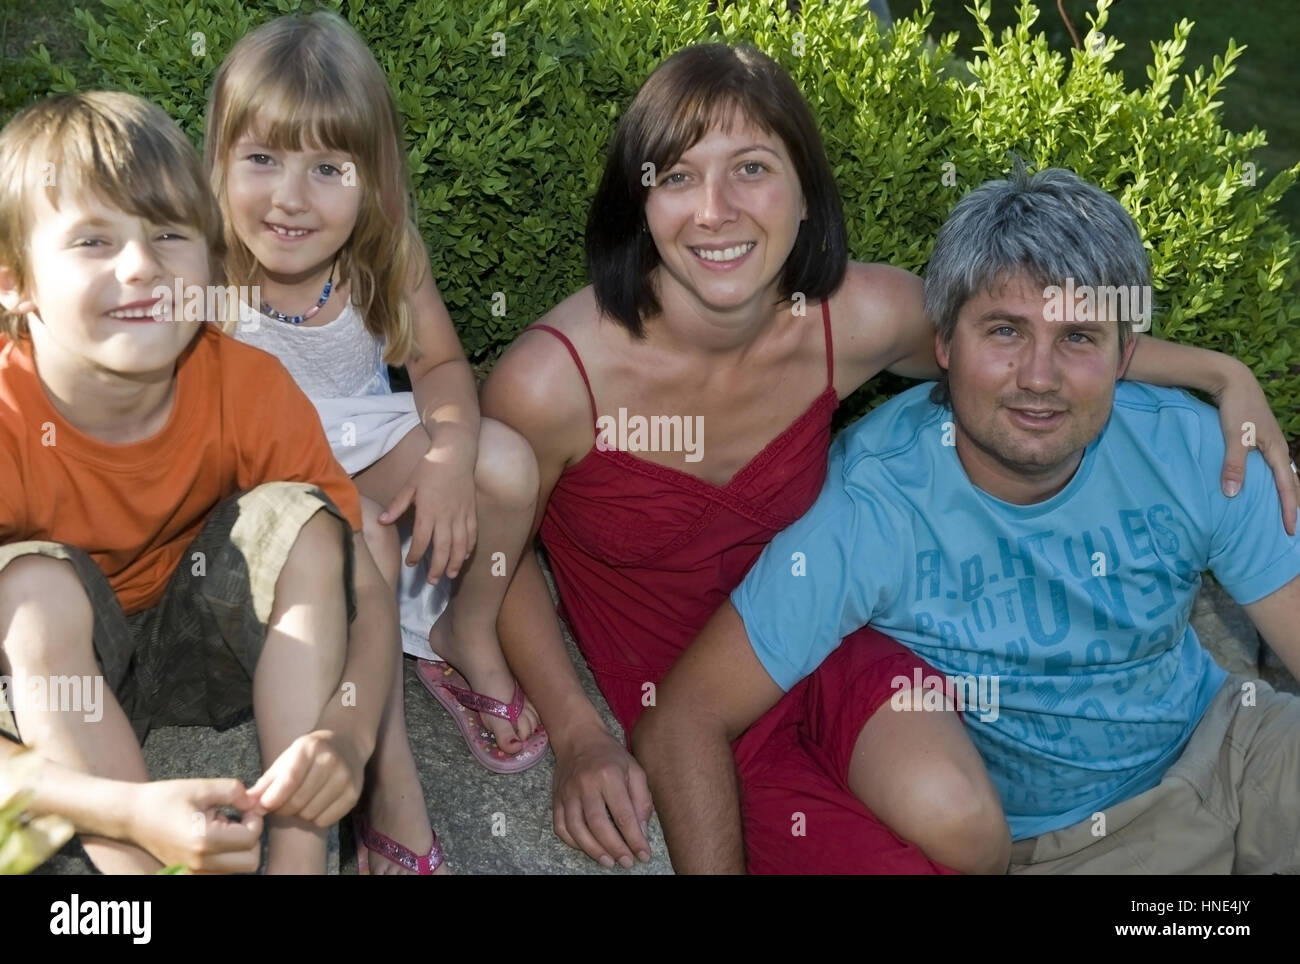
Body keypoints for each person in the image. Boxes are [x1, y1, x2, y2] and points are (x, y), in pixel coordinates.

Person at [482, 43, 1298, 873]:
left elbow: (1021, 338)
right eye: (679, 176)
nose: (716, 210)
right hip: (695, 670)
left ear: (805, 193)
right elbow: (492, 558)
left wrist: (1219, 374)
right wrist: (579, 733)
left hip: (836, 642)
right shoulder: (554, 381)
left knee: (966, 830)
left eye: (753, 168)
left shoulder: (855, 317)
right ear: (640, 200)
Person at [634, 165, 1300, 874]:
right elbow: (684, 720)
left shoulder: (1198, 449)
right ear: (944, 345)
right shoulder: (875, 506)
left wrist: (1226, 376)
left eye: (1079, 337)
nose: (1039, 377)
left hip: (1235, 740)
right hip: (1071, 844)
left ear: (1124, 356)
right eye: (1006, 331)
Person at [0, 91, 425, 873]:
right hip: (45, 685)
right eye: (94, 240)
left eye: (169, 234)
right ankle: (132, 878)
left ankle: (299, 856)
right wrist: (127, 809)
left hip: (201, 646)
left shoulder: (248, 384)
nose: (142, 269)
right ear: (13, 282)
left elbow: (360, 582)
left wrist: (349, 733)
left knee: (309, 522)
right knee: (31, 587)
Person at [205, 11, 546, 787]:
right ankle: (355, 728)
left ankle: (470, 632)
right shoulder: (207, 275)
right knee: (347, 561)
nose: (290, 199)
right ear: (219, 162)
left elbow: (440, 364)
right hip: (263, 477)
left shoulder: (384, 256)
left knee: (506, 463)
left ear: (373, 178)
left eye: (328, 169)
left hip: (364, 437)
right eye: (261, 158)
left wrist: (452, 454)